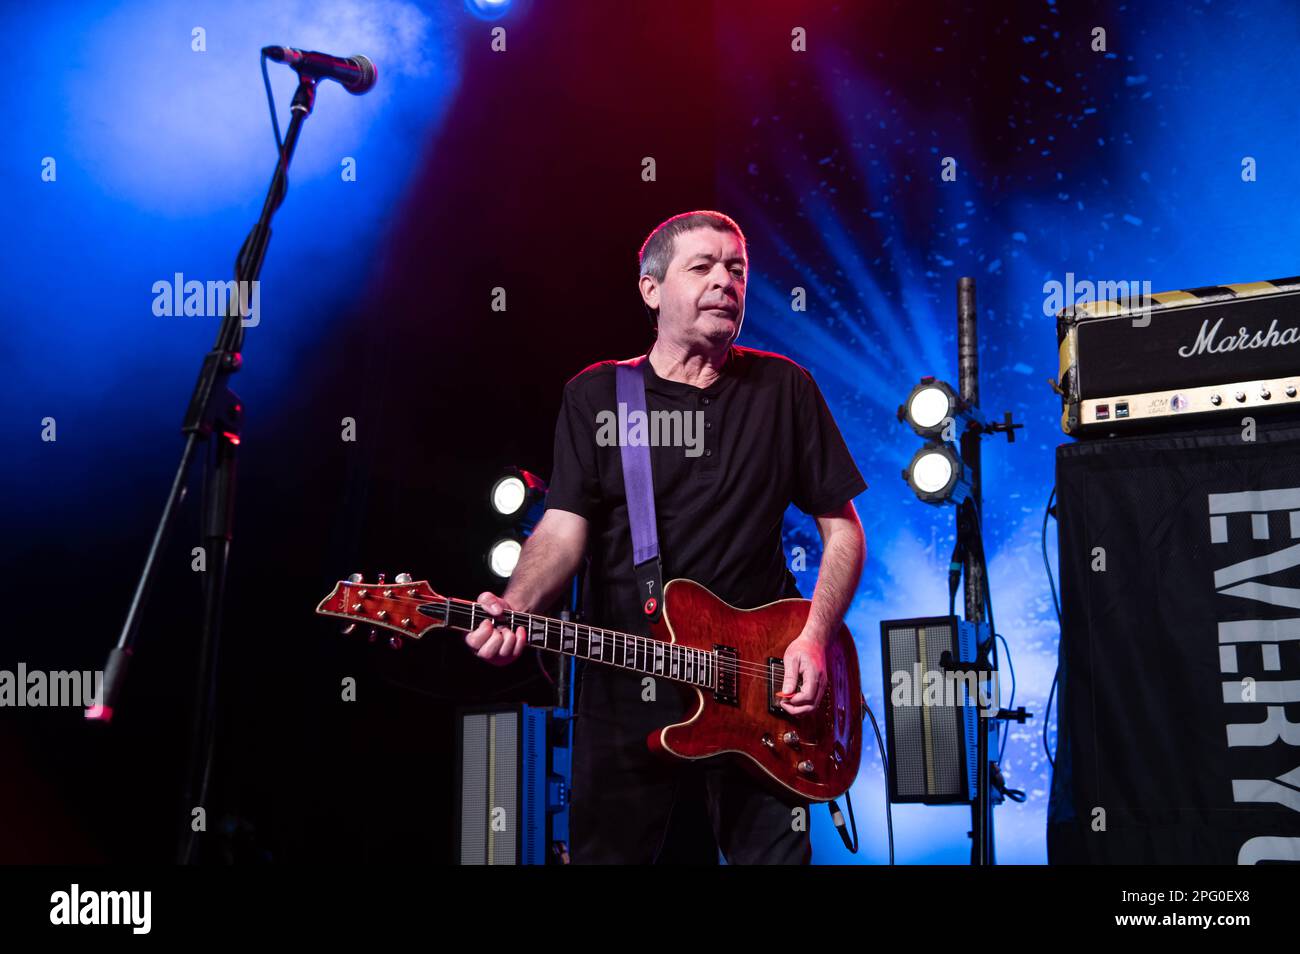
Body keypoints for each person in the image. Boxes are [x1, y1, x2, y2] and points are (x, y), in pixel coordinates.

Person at [465, 210, 867, 863]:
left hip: (765, 696)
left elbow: (844, 533)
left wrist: (815, 642)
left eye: (736, 269)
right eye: (702, 267)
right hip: (627, 687)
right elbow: (563, 531)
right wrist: (516, 606)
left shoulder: (784, 389)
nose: (725, 282)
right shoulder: (599, 396)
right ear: (652, 290)